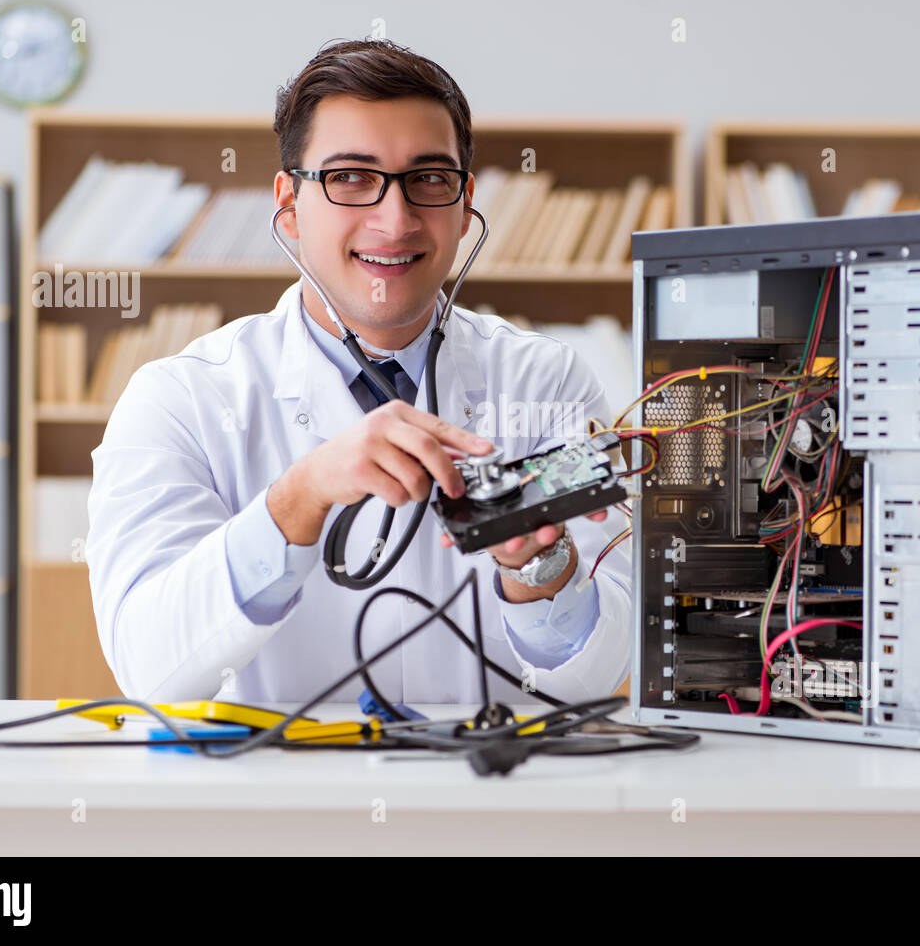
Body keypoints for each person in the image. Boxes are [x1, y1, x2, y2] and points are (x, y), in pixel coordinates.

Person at [86, 38, 633, 705]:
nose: (395, 219)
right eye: (351, 177)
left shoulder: (546, 381)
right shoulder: (180, 399)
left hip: (490, 797)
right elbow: (152, 667)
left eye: (429, 179)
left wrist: (538, 566)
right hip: (272, 804)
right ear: (288, 206)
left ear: (465, 209)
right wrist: (297, 499)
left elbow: (599, 673)